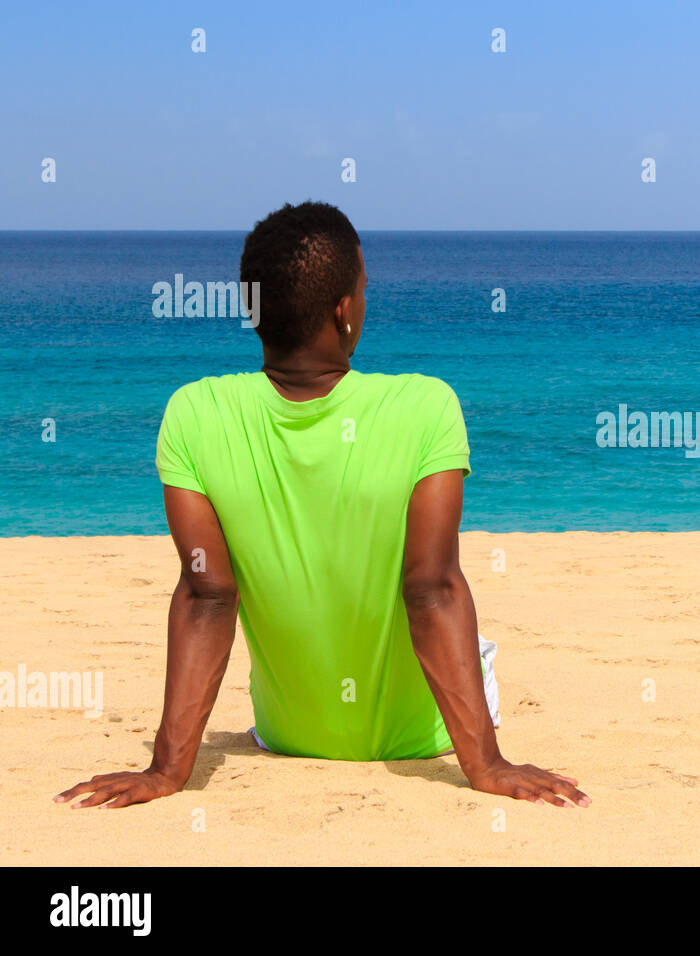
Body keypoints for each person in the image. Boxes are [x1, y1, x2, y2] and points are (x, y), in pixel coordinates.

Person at [56, 201, 589, 810]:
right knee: (462, 620)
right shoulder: (425, 408)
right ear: (343, 310)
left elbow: (208, 595)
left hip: (288, 736)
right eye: (363, 290)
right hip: (425, 740)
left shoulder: (193, 415)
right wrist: (487, 766)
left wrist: (167, 769)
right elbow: (432, 590)